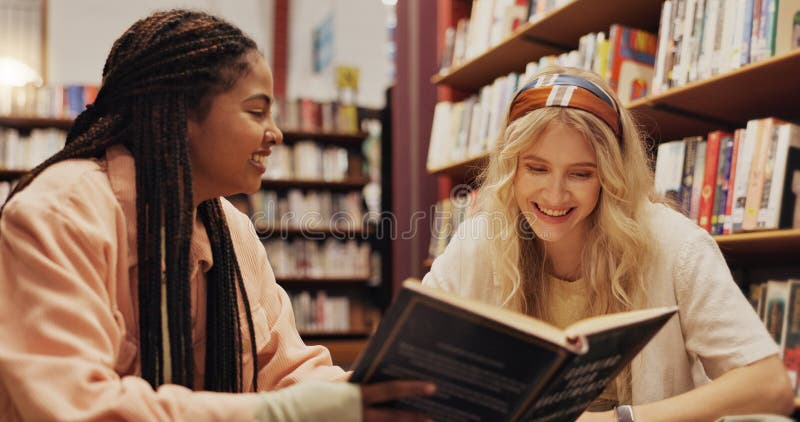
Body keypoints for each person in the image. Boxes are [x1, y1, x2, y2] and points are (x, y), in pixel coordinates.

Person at [0, 9, 434, 421]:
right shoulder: (57, 213)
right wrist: (276, 415)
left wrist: (377, 399)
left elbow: (288, 371)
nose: (275, 133)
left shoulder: (231, 228)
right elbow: (73, 406)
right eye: (256, 111)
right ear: (183, 113)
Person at [422, 66, 795, 421]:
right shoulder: (480, 239)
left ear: (612, 176)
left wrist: (623, 419)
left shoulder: (676, 245)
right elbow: (412, 358)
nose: (554, 194)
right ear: (510, 167)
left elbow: (770, 385)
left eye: (581, 174)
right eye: (536, 168)